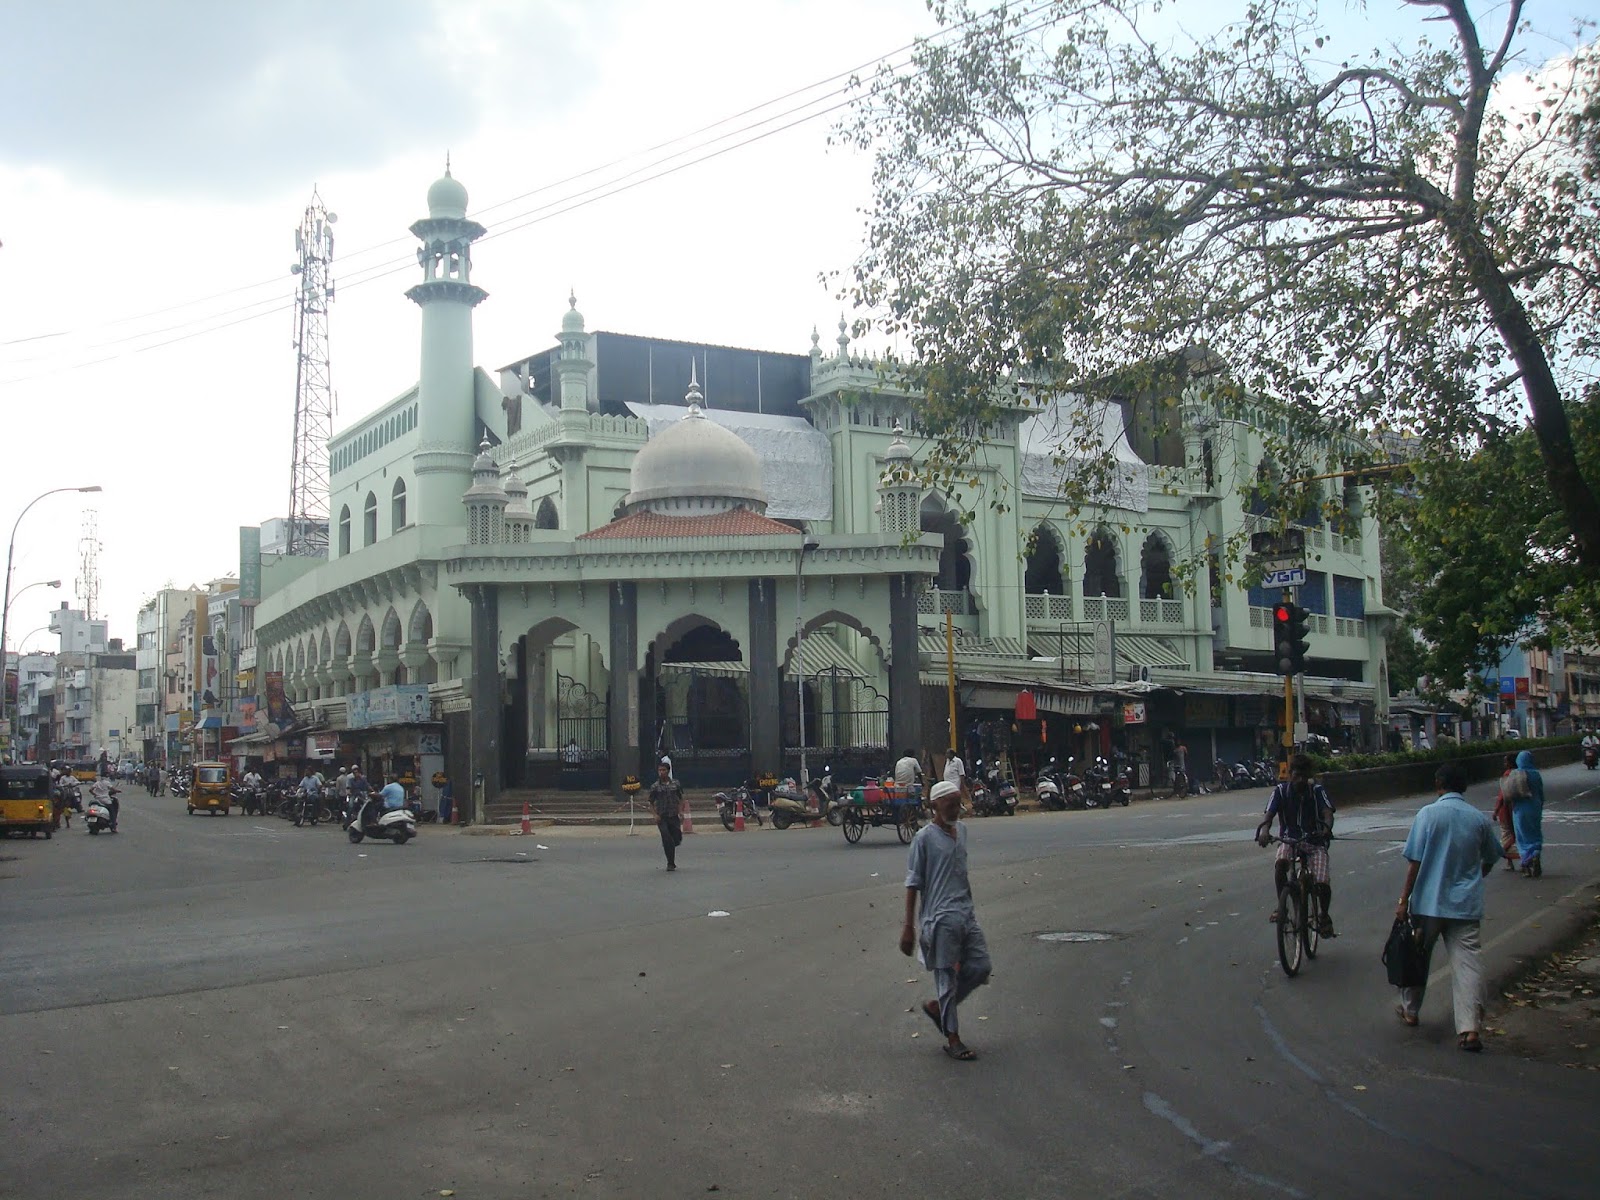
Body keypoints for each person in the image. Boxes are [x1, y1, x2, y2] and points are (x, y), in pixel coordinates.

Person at [1394, 762, 1502, 1050]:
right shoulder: (1477, 819)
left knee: (1417, 959)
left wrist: (1403, 900)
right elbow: (1493, 854)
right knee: (1467, 965)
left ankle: (1410, 1011)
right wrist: (1480, 873)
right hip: (1464, 906)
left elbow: (1414, 864)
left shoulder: (1428, 815)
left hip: (1428, 904)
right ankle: (1470, 1030)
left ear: (1439, 785)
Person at [900, 779, 991, 1061]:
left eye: (957, 802)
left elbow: (960, 873)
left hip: (965, 915)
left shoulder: (961, 831)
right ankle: (953, 1037)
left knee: (980, 967)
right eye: (949, 803)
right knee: (946, 980)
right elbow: (913, 883)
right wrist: (908, 927)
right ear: (934, 806)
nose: (955, 808)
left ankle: (939, 1009)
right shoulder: (923, 839)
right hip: (939, 920)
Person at [1255, 753, 1338, 937]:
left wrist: (1326, 829)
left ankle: (1324, 915)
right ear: (1290, 774)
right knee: (1280, 864)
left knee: (1322, 882)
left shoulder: (1317, 791)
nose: (1300, 780)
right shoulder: (1280, 791)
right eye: (1296, 775)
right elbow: (1269, 816)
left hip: (1314, 841)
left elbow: (1327, 814)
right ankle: (1282, 906)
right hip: (1289, 839)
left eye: (1304, 776)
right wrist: (1264, 831)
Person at [1510, 748, 1545, 878]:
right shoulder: (1536, 774)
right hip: (1534, 807)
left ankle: (1526, 864)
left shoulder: (1516, 774)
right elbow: (1541, 793)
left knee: (1522, 836)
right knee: (1535, 833)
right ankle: (1536, 854)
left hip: (1520, 809)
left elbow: (1510, 794)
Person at [647, 760, 684, 871]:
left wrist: (680, 811)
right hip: (662, 816)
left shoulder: (675, 784)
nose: (661, 772)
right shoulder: (655, 787)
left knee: (676, 838)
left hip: (673, 815)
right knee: (666, 838)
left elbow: (681, 798)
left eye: (663, 770)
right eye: (659, 770)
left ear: (668, 771)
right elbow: (650, 802)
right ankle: (670, 863)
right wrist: (654, 815)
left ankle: (672, 844)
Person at [1491, 753, 1521, 872]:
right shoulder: (1520, 774)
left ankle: (1511, 858)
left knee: (1506, 835)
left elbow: (1502, 795)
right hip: (1517, 809)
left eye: (1505, 761)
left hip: (1505, 810)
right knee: (1514, 834)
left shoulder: (1507, 775)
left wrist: (1496, 810)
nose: (1504, 764)